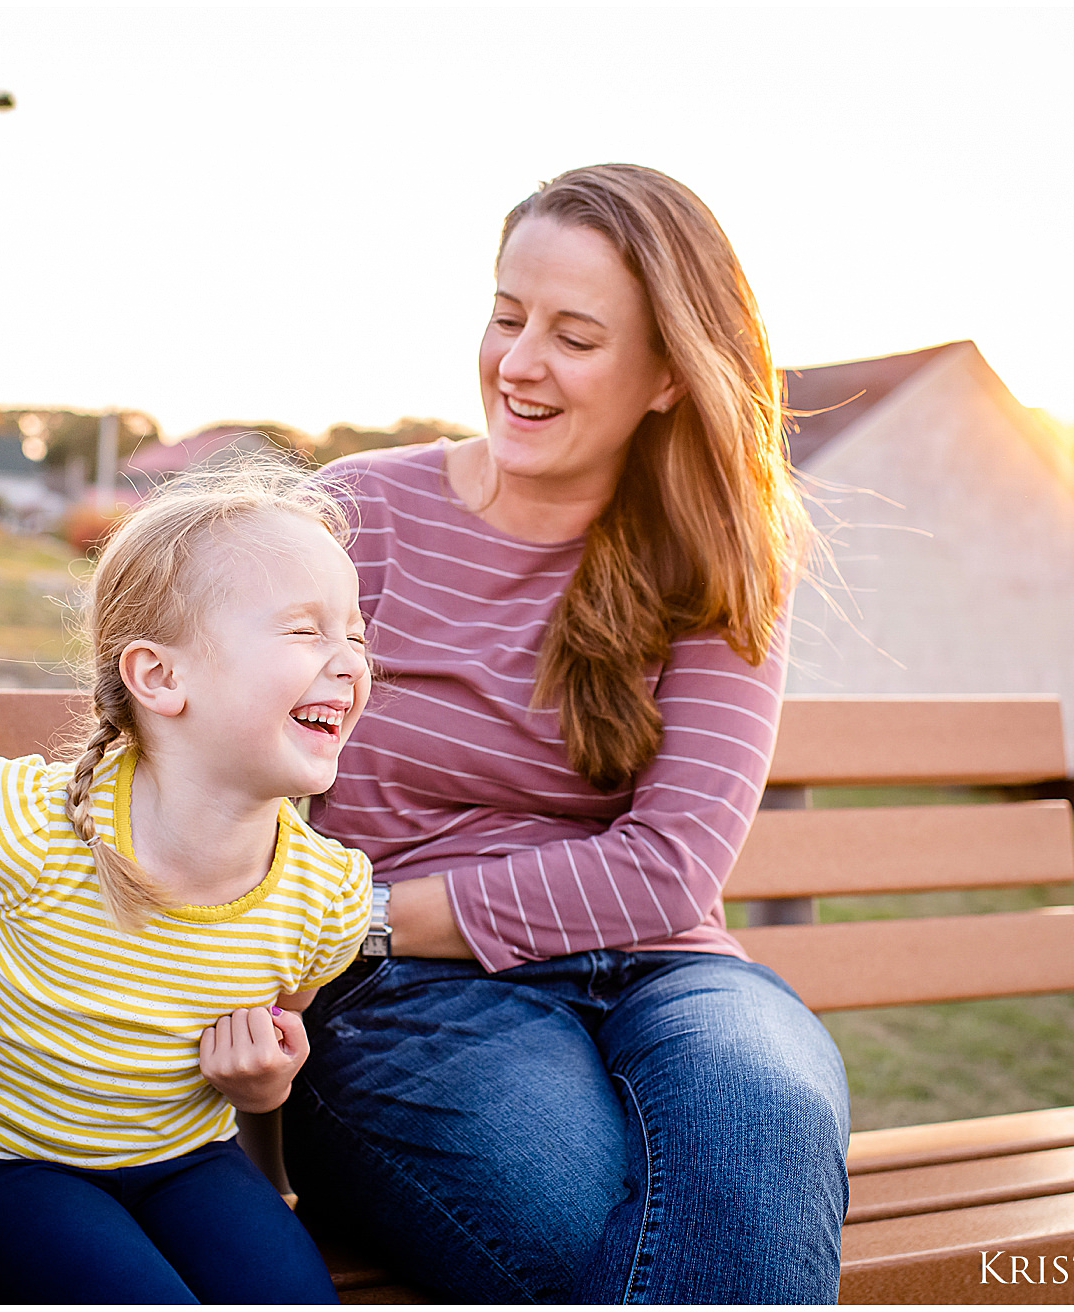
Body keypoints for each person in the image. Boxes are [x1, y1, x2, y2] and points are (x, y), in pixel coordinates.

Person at [282, 163, 852, 1303]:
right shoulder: (358, 515)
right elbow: (221, 760)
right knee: (602, 1234)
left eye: (574, 336)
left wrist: (373, 913)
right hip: (414, 1000)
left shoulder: (719, 556)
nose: (517, 363)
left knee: (766, 1118)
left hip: (668, 973)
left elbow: (671, 868)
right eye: (506, 316)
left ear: (666, 378)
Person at [0, 465, 375, 1303]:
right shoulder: (35, 826)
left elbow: (268, 1047)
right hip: (8, 1166)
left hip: (188, 1164)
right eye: (306, 632)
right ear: (160, 678)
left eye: (354, 633)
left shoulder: (326, 893)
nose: (347, 660)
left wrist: (265, 1087)